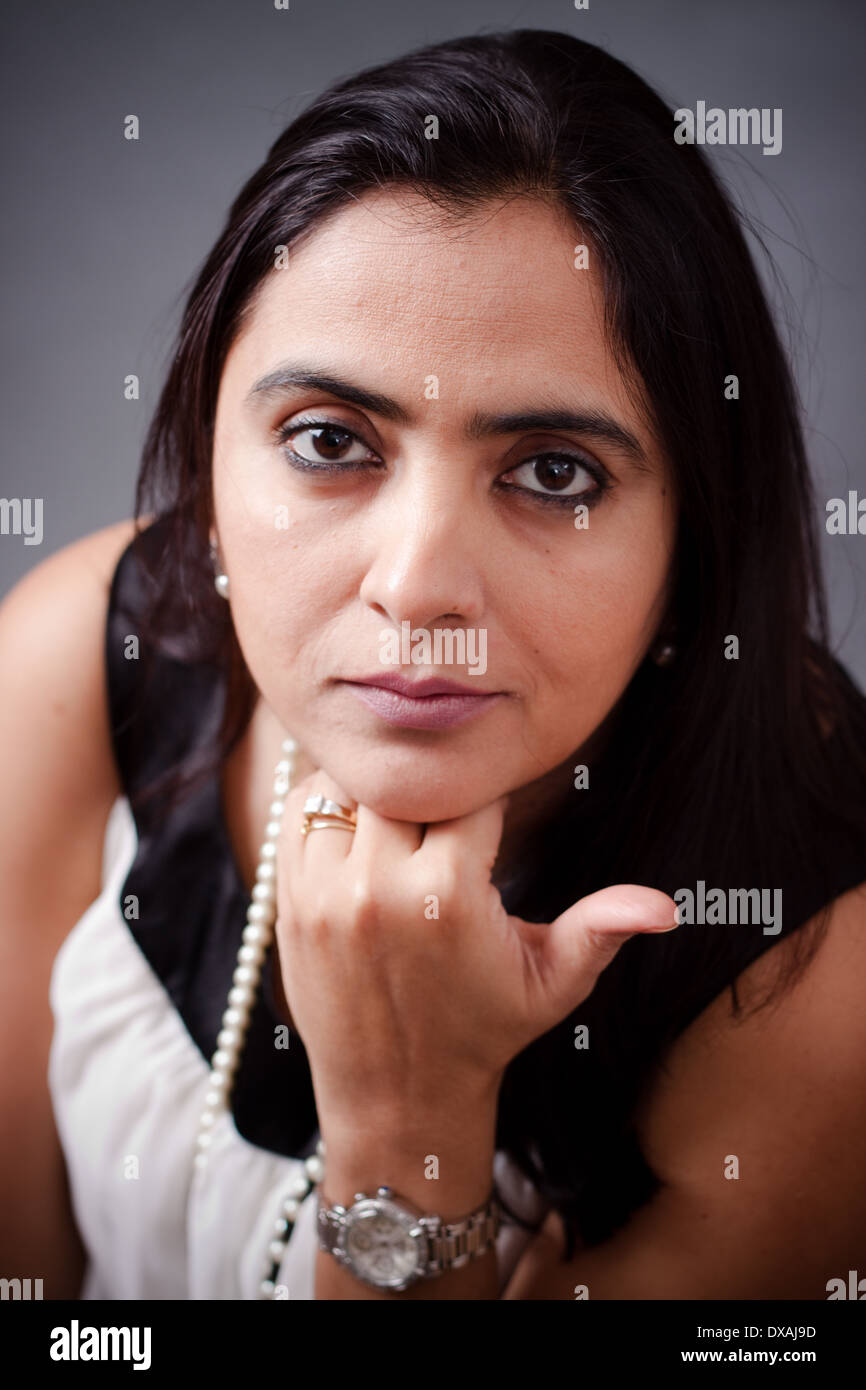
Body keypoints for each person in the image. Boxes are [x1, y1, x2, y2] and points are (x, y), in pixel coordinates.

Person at [2, 28, 865, 1301]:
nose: (414, 585)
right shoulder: (87, 650)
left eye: (552, 472)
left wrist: (408, 1126)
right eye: (328, 439)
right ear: (209, 448)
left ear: (695, 532)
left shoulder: (811, 974)